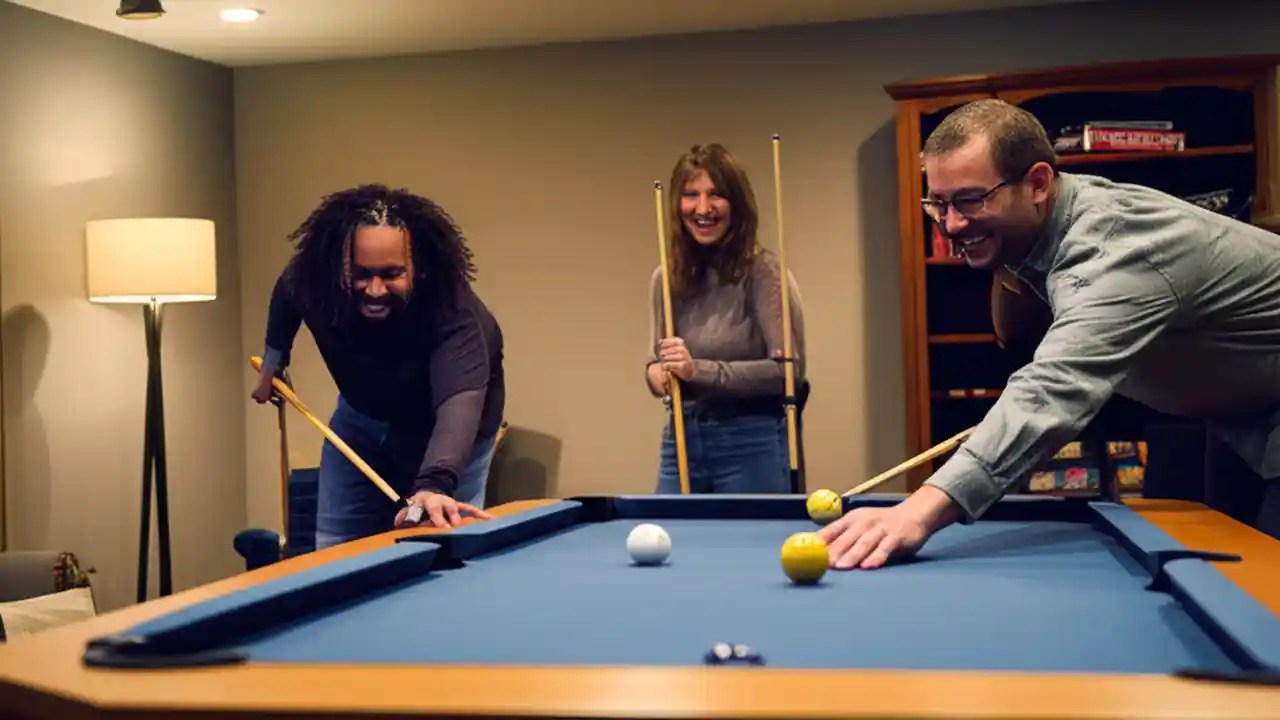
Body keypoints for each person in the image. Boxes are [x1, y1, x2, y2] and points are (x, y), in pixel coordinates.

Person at [819, 99, 1280, 568]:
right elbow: (1014, 337)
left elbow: (1055, 386)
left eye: (971, 200)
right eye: (938, 203)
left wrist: (918, 510)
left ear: (1038, 183)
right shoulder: (1047, 227)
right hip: (1241, 419)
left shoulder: (1113, 246)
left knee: (1264, 593)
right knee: (1235, 575)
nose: (952, 223)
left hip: (1265, 412)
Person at [251, 183, 504, 547]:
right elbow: (287, 293)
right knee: (335, 550)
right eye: (361, 274)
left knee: (442, 546)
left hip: (443, 433)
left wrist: (435, 484)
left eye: (390, 274)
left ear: (418, 269)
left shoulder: (452, 310)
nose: (374, 289)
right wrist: (274, 360)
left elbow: (458, 406)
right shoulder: (314, 278)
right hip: (359, 419)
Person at [645, 143, 806, 494]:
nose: (703, 208)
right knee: (670, 530)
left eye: (716, 195)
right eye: (691, 195)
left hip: (750, 441)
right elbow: (657, 361)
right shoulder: (666, 278)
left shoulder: (763, 272)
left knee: (751, 533)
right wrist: (656, 374)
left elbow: (787, 373)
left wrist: (696, 371)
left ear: (737, 205)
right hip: (681, 437)